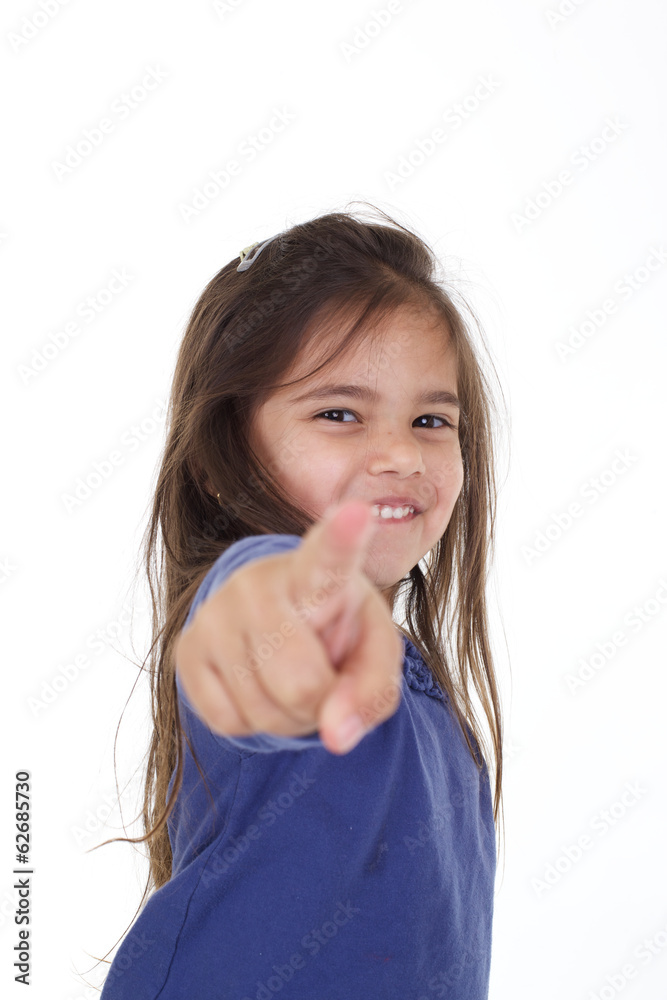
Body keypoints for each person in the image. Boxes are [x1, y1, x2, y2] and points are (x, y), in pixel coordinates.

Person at [95, 203, 505, 998]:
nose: (399, 453)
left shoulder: (431, 704)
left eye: (430, 419)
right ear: (220, 460)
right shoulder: (258, 586)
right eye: (338, 414)